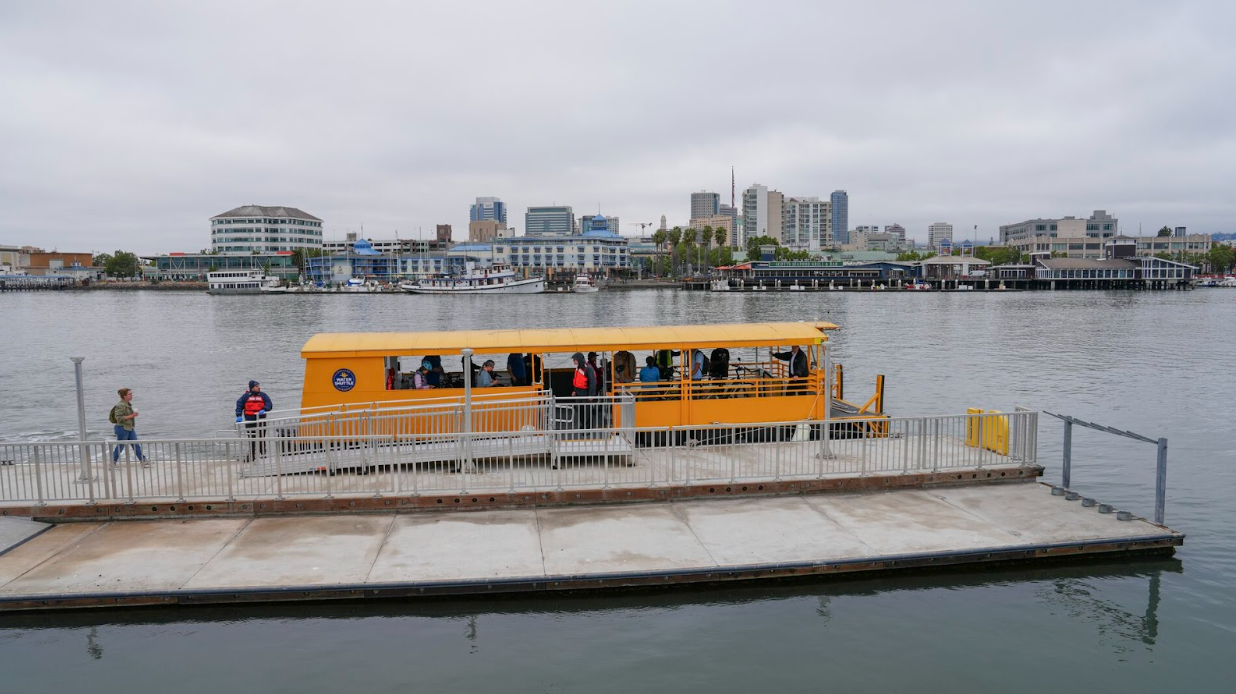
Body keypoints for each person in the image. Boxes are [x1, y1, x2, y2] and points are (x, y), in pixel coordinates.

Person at [235, 380, 273, 461]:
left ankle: (263, 456)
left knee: (261, 439)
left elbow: (269, 403)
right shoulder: (245, 396)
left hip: (261, 422)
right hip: (250, 422)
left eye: (259, 385)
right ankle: (252, 456)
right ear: (252, 388)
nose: (259, 387)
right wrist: (238, 415)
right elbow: (239, 404)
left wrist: (265, 409)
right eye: (257, 386)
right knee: (251, 439)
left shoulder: (263, 395)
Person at [109, 387, 147, 465]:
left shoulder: (127, 404)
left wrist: (132, 415)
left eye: (131, 394)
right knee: (120, 446)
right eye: (129, 394)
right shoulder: (121, 405)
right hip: (122, 428)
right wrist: (132, 415)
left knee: (136, 445)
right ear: (124, 396)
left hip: (129, 428)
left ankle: (143, 461)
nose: (131, 395)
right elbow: (118, 418)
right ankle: (112, 463)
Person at [570, 352, 596, 429]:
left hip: (586, 393)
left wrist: (591, 395)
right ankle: (582, 425)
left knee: (586, 411)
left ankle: (587, 428)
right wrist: (574, 391)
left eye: (574, 359)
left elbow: (592, 382)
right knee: (580, 410)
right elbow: (576, 380)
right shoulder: (578, 368)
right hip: (578, 393)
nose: (573, 361)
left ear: (578, 360)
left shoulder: (588, 368)